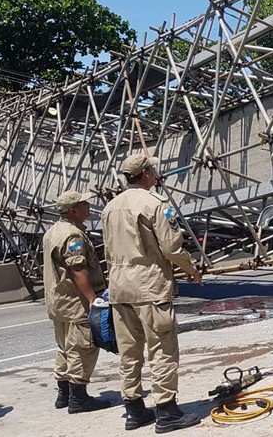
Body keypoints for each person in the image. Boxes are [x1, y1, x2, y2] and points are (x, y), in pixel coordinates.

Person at [101, 153, 202, 433]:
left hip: (119, 288)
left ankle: (134, 410)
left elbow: (108, 251)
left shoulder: (110, 207)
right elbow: (170, 248)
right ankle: (167, 412)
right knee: (162, 349)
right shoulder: (155, 203)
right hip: (149, 285)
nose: (156, 173)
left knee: (129, 351)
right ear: (145, 173)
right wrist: (191, 269)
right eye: (153, 169)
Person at [42, 190, 112, 414]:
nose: (88, 206)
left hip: (59, 301)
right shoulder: (72, 236)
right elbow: (78, 269)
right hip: (76, 302)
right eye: (83, 204)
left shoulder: (53, 231)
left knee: (64, 346)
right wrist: (93, 299)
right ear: (73, 210)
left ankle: (63, 394)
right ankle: (79, 398)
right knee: (83, 347)